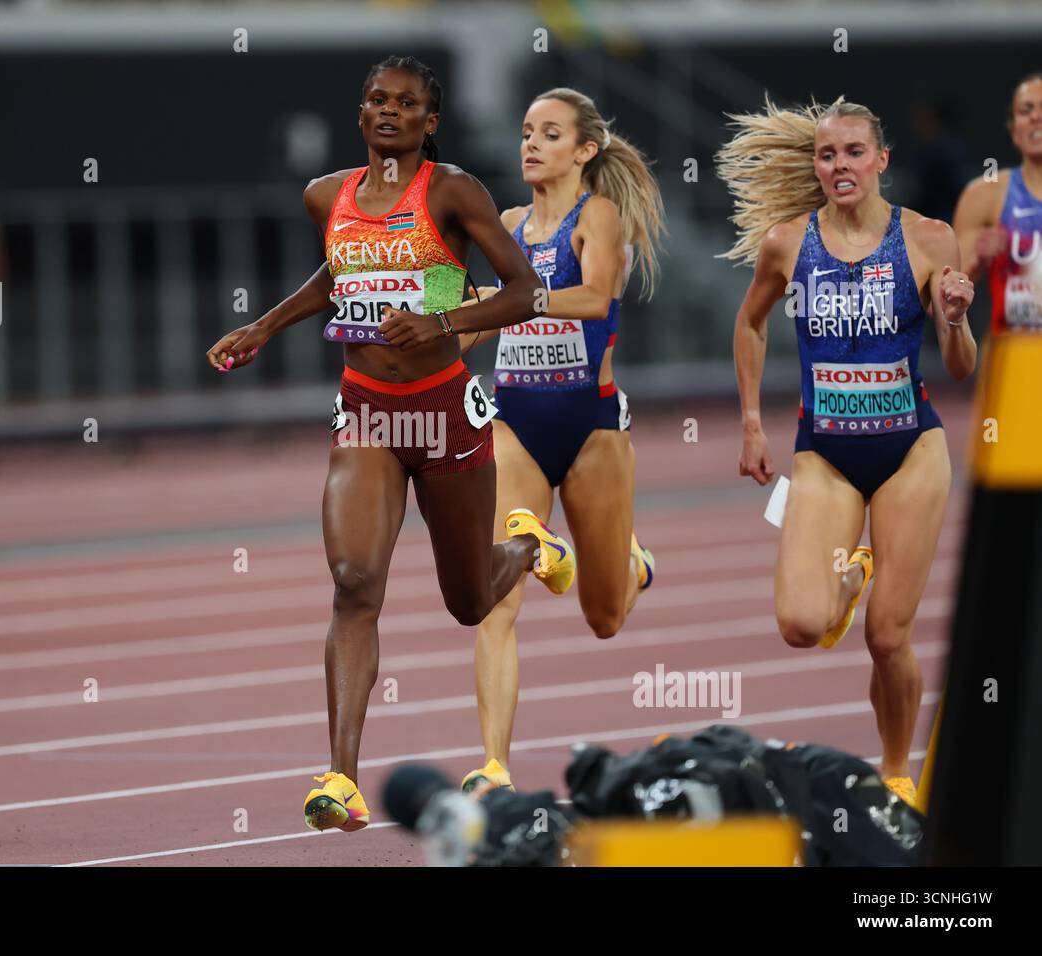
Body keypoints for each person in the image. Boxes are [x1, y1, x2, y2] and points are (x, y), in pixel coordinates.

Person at [205, 56, 577, 833]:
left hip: (444, 411)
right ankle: (341, 777)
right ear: (361, 110)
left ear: (428, 122)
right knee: (352, 580)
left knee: (470, 602)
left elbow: (524, 293)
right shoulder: (326, 196)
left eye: (406, 104)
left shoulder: (452, 191)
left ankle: (529, 543)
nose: (388, 111)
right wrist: (263, 327)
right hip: (369, 411)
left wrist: (441, 321)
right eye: (377, 99)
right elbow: (340, 276)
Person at [716, 97, 978, 805]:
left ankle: (896, 772)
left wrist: (953, 320)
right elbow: (750, 324)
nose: (840, 166)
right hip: (824, 456)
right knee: (801, 624)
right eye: (827, 155)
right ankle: (848, 574)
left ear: (881, 160)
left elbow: (958, 365)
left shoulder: (927, 238)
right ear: (816, 164)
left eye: (854, 152)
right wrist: (749, 421)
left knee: (888, 636)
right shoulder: (788, 242)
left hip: (910, 454)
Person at [451, 89, 664, 792]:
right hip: (515, 419)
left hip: (592, 425)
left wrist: (519, 299)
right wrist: (434, 331)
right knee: (495, 596)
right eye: (525, 132)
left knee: (604, 619)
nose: (530, 144)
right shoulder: (508, 224)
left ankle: (627, 565)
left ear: (585, 150)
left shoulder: (597, 218)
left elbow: (595, 298)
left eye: (550, 134)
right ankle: (494, 766)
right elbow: (486, 322)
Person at [951, 73, 1042, 334]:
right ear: (1014, 131)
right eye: (1026, 110)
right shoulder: (985, 195)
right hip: (1014, 359)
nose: (1035, 116)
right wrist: (976, 262)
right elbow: (941, 303)